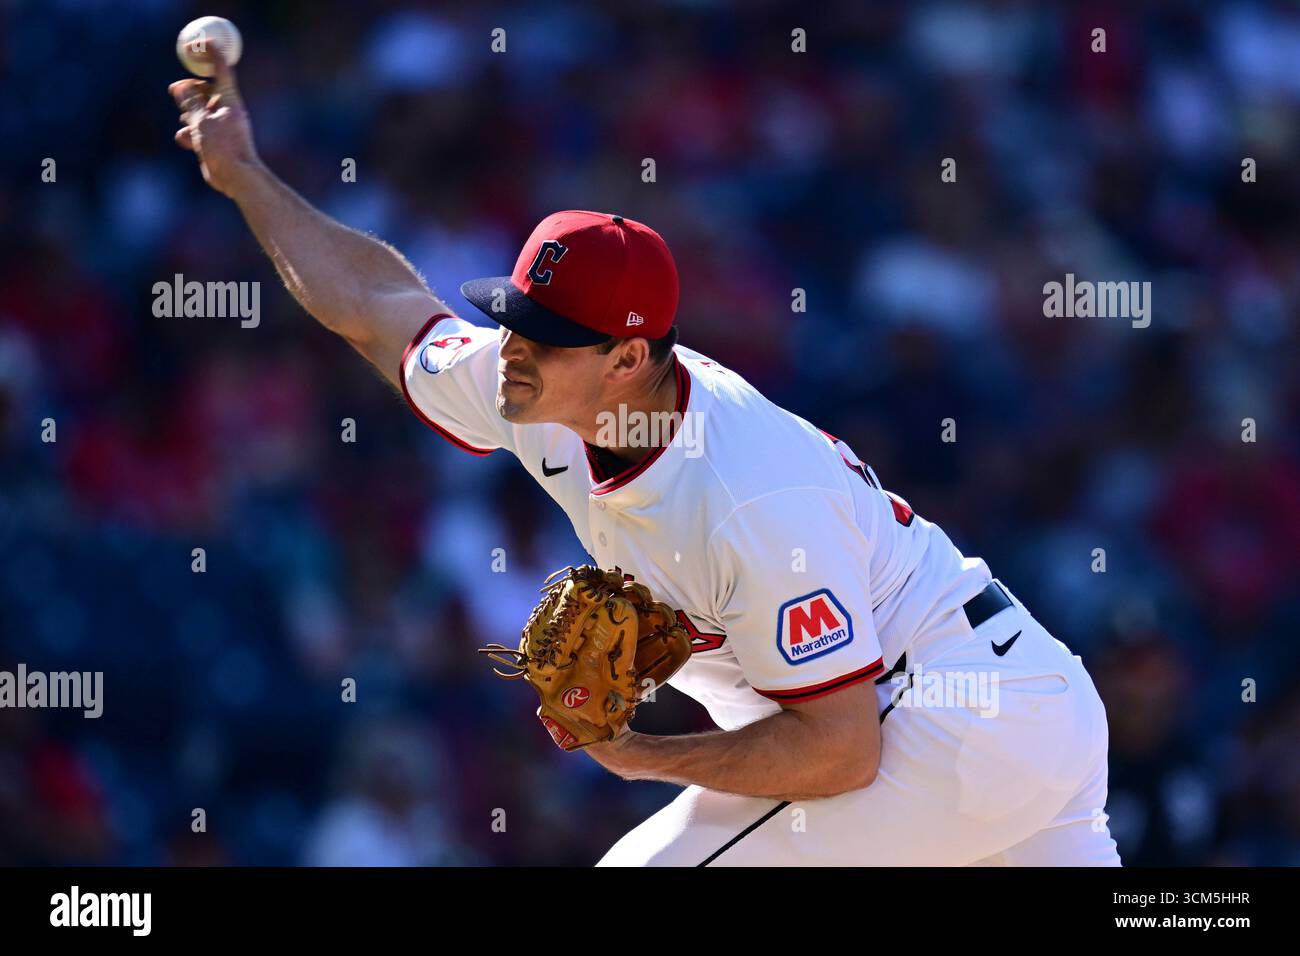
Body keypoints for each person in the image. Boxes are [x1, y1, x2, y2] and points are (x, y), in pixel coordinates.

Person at [169, 53, 1121, 866]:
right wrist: (247, 173)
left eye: (541, 337)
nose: (510, 350)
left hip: (946, 713)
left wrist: (642, 754)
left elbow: (842, 755)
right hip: (1014, 709)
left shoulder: (743, 496)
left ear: (628, 358)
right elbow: (378, 306)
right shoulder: (540, 388)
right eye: (511, 320)